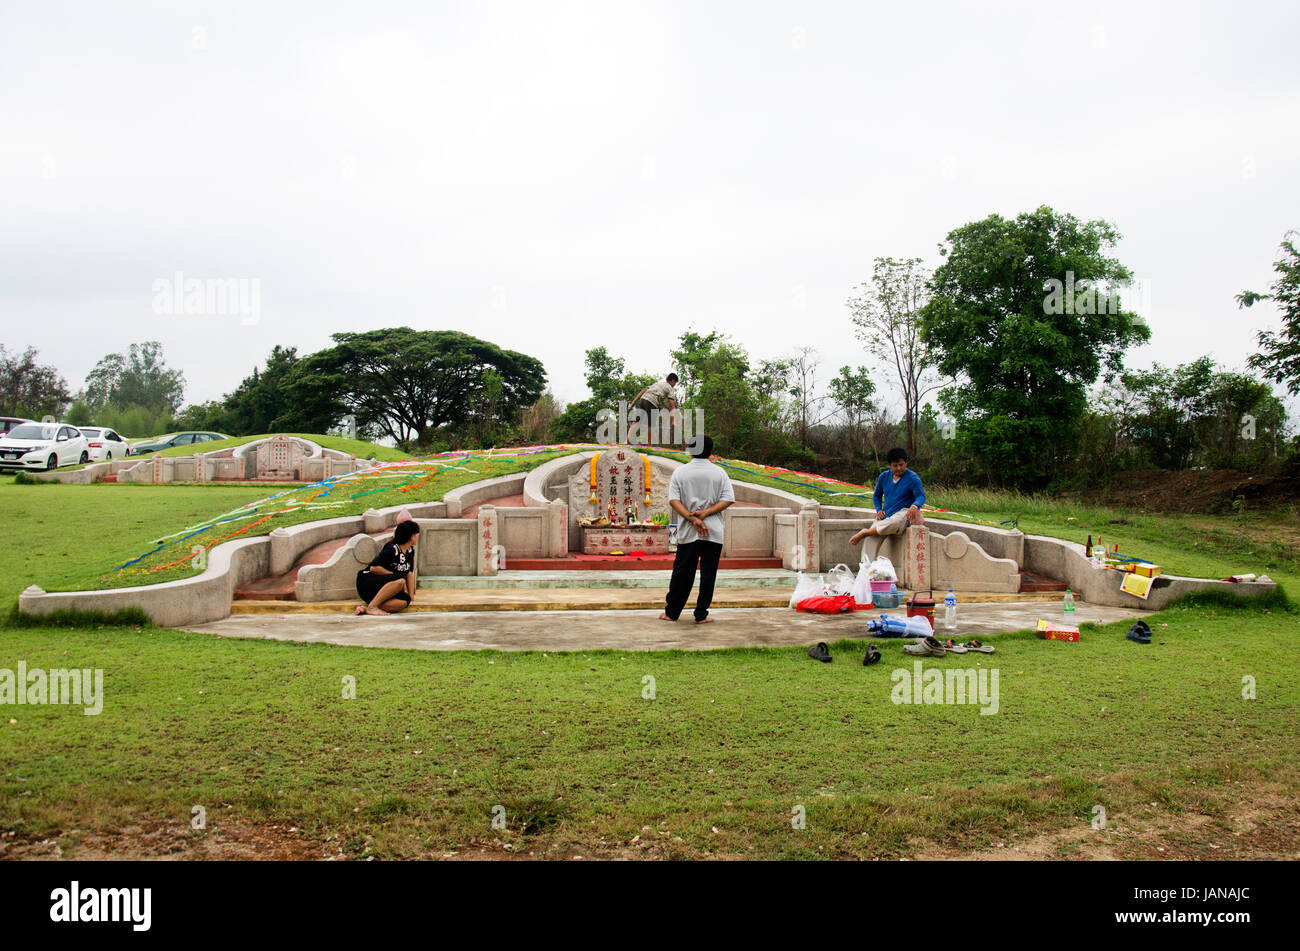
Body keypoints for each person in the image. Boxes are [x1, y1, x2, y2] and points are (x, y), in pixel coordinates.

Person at [660, 435, 734, 623]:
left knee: (682, 572)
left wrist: (692, 518)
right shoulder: (719, 473)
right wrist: (706, 514)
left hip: (688, 532)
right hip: (713, 531)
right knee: (708, 574)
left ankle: (671, 612)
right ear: (710, 451)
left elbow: (674, 500)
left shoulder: (680, 472)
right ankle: (701, 614)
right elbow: (728, 499)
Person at [850, 447, 925, 549]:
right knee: (870, 540)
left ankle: (866, 532)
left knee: (896, 522)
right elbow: (877, 495)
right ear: (890, 465)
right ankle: (866, 564)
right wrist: (878, 509)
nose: (899, 468)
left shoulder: (913, 478)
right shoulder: (884, 477)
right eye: (895, 465)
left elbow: (920, 496)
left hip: (903, 513)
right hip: (886, 515)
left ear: (906, 463)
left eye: (901, 465)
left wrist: (915, 506)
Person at [354, 520, 419, 616]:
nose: (418, 536)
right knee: (400, 580)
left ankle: (367, 608)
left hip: (384, 590)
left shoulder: (410, 551)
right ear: (412, 536)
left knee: (405, 601)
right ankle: (372, 607)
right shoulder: (392, 548)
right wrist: (394, 577)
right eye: (417, 534)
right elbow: (373, 568)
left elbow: (409, 573)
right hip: (367, 582)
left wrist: (411, 596)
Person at [629, 373, 679, 444]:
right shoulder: (669, 388)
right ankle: (649, 445)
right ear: (673, 381)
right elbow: (672, 405)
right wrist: (674, 421)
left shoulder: (657, 384)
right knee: (651, 425)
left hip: (643, 399)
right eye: (675, 383)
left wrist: (633, 403)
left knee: (636, 421)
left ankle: (625, 441)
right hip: (652, 403)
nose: (674, 385)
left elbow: (643, 391)